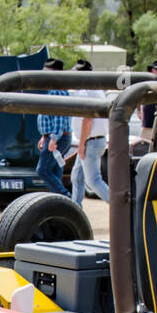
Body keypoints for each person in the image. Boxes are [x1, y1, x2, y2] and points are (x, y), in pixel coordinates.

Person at [70, 60, 109, 207]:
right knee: (77, 176)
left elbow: (88, 119)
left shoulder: (83, 92)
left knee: (93, 181)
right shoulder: (97, 90)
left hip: (89, 141)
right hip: (95, 140)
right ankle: (76, 208)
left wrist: (81, 145)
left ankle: (122, 208)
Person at [34, 57, 71, 195]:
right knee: (55, 170)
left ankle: (65, 197)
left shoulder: (56, 91)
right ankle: (61, 200)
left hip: (58, 137)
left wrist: (54, 138)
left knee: (43, 170)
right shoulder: (54, 90)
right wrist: (45, 136)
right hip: (56, 136)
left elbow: (59, 117)